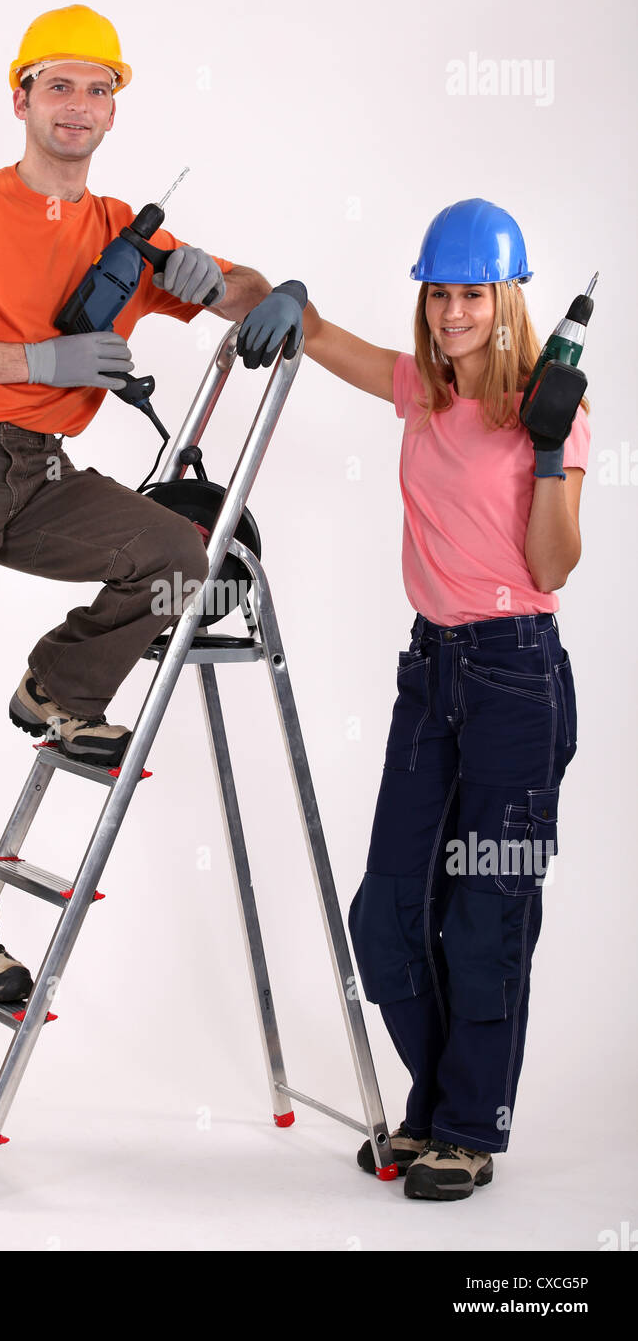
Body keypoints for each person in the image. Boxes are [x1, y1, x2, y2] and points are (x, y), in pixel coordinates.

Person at [0, 5, 305, 1006]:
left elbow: (239, 290)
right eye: (58, 84)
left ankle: (57, 692)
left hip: (35, 469)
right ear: (21, 98)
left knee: (180, 556)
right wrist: (35, 358)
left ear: (114, 109)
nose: (78, 104)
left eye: (97, 87)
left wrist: (256, 285)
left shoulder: (120, 236)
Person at [283, 198, 589, 1201]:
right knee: (383, 914)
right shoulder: (419, 389)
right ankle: (439, 1102)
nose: (453, 310)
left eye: (472, 293)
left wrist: (545, 452)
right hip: (429, 674)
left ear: (506, 300)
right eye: (439, 291)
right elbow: (320, 335)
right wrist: (266, 295)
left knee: (484, 912)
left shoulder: (552, 408)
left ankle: (463, 1126)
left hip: (515, 676)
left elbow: (552, 564)